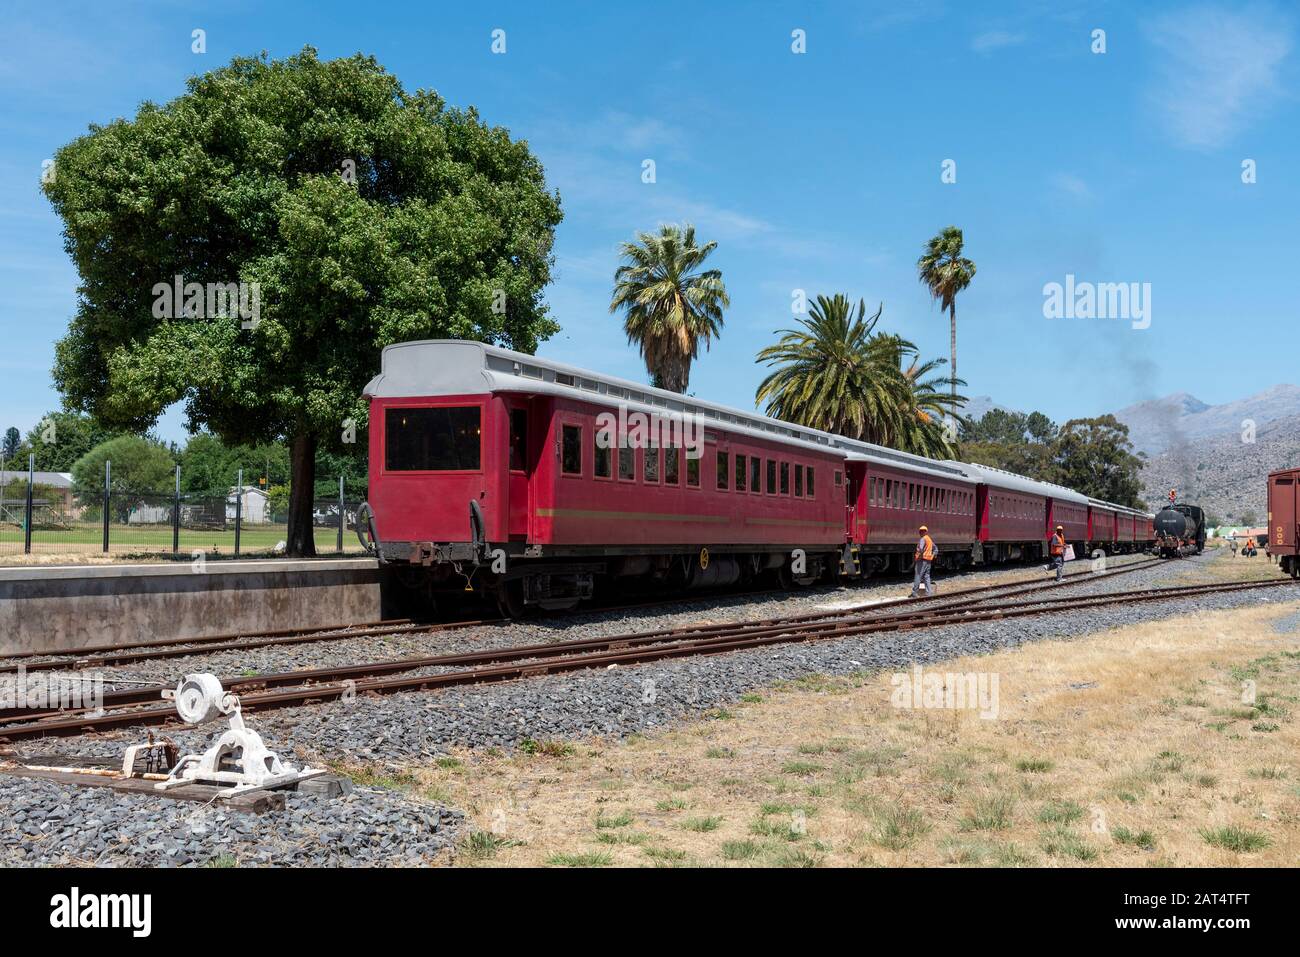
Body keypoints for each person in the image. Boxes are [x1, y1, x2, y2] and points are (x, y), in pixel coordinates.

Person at [910, 524, 936, 597]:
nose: (921, 532)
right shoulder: (929, 539)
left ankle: (914, 593)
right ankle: (929, 593)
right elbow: (935, 549)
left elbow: (921, 549)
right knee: (926, 576)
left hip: (921, 560)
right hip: (928, 561)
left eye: (921, 531)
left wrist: (919, 553)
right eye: (920, 531)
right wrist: (932, 556)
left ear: (924, 532)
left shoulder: (923, 539)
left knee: (918, 576)